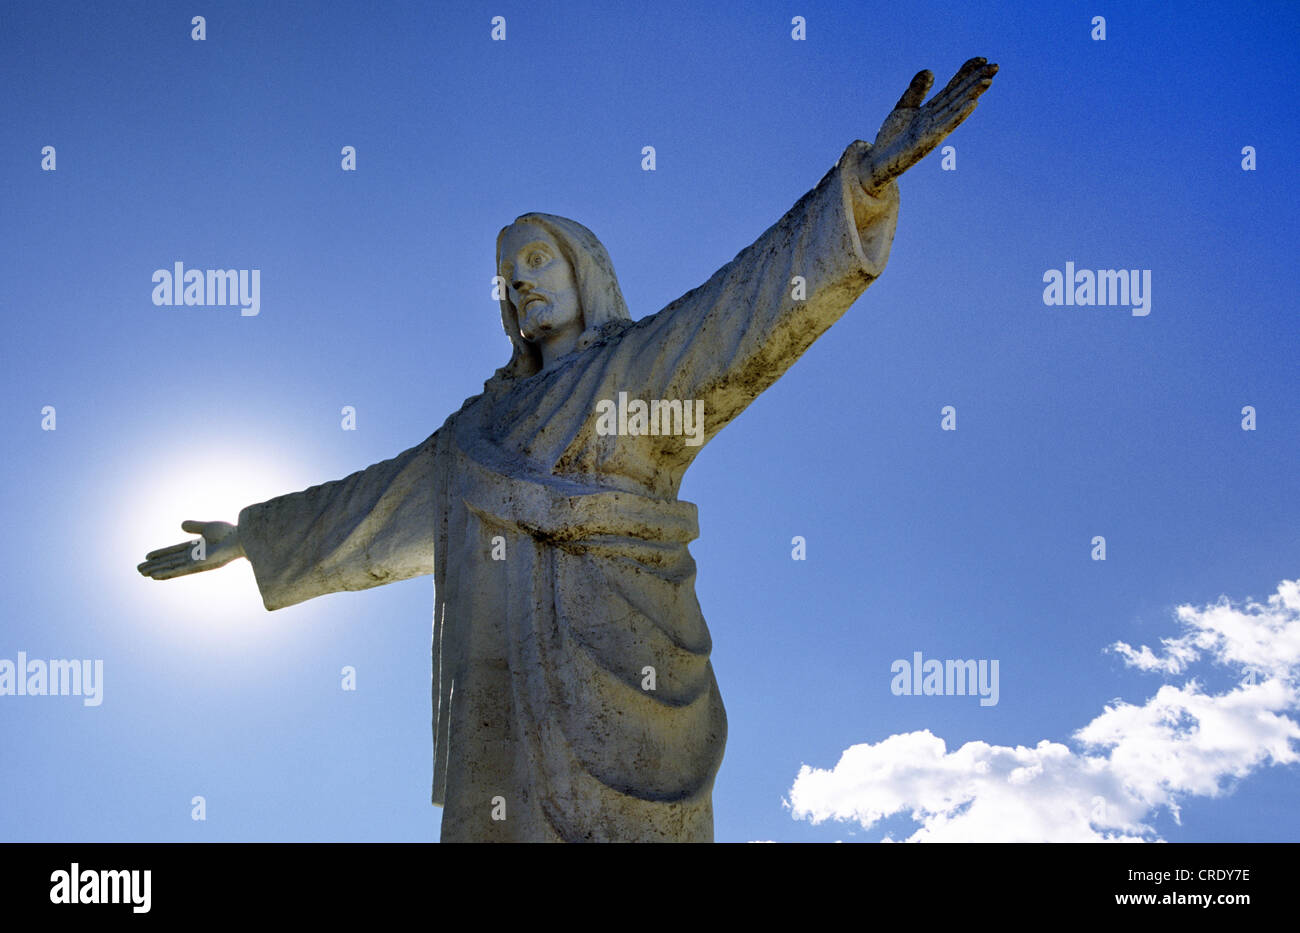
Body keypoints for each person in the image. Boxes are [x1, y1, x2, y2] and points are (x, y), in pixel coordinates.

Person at [138, 59, 998, 841]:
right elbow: (366, 508)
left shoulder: (633, 371)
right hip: (505, 709)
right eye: (507, 274)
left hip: (630, 690)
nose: (519, 282)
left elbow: (742, 313)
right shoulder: (475, 436)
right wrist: (248, 535)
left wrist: (855, 194)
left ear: (583, 269)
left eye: (538, 259)